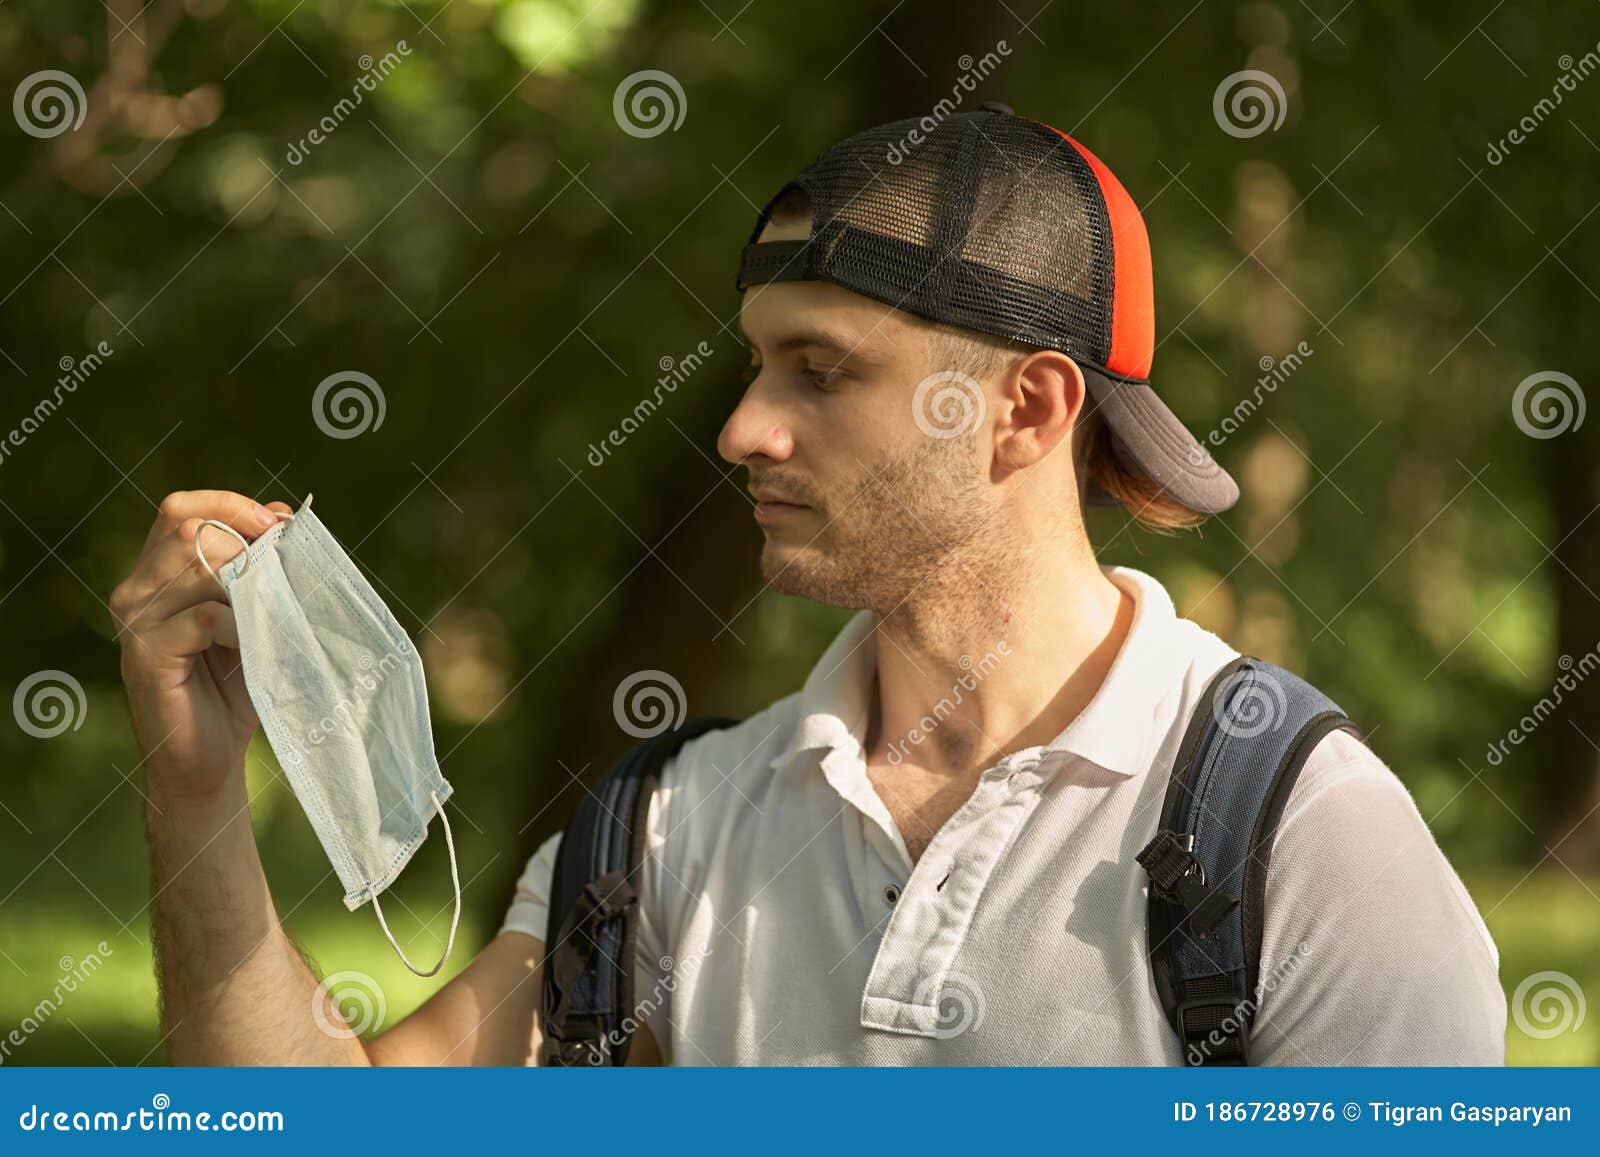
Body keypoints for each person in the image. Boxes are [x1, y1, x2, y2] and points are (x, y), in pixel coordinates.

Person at [111, 105, 1505, 1065]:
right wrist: (193, 796)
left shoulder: (1297, 835)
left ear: (1026, 409)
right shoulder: (666, 832)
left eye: (822, 372)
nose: (742, 428)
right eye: (756, 364)